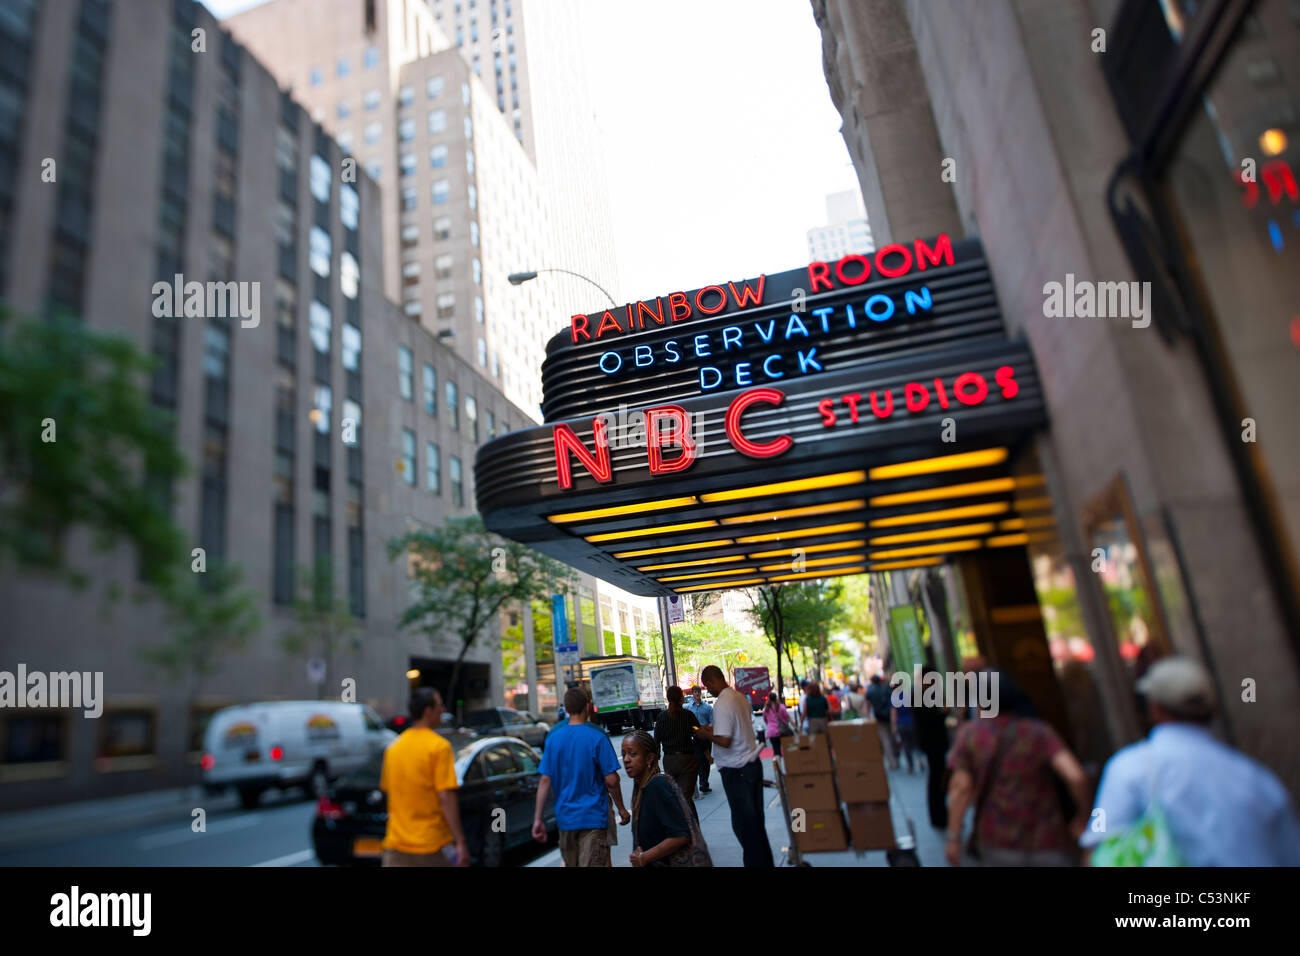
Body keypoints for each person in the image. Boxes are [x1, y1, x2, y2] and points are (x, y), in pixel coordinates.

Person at [1082, 656, 1300, 866]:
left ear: (1154, 708)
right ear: (1214, 708)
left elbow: (1100, 844)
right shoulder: (1257, 779)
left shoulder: (1128, 769)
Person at [944, 674, 1091, 866]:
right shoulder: (1038, 731)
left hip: (997, 840)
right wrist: (1084, 817)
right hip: (1046, 839)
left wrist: (954, 838)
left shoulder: (970, 736)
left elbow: (961, 788)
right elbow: (1076, 776)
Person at [532, 687, 630, 867]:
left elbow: (545, 780)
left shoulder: (553, 739)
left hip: (565, 820)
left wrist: (537, 819)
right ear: (587, 707)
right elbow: (611, 781)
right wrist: (621, 806)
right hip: (593, 819)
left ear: (566, 709)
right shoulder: (597, 737)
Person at [694, 665, 775, 867]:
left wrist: (705, 734)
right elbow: (737, 727)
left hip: (737, 770)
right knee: (756, 824)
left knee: (744, 826)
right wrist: (714, 729)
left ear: (711, 682)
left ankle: (755, 863)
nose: (707, 690)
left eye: (707, 686)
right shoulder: (740, 698)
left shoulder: (721, 703)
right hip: (752, 764)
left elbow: (725, 740)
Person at [379, 688, 470, 867]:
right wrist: (460, 842)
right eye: (439, 705)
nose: (443, 710)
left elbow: (389, 792)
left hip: (395, 847)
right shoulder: (439, 747)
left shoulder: (393, 749)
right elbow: (446, 796)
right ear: (428, 711)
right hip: (431, 846)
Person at [621, 730, 713, 867]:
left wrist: (644, 857)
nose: (626, 759)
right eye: (624, 754)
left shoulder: (657, 786)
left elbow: (681, 835)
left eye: (633, 754)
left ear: (649, 758)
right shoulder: (640, 788)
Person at [653, 686, 700, 817]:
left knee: (677, 797)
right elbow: (698, 732)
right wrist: (705, 752)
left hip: (669, 762)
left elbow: (656, 741)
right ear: (681, 698)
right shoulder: (688, 715)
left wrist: (655, 763)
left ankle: (683, 829)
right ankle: (693, 828)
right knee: (685, 798)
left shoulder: (661, 717)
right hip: (687, 761)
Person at [914, 669, 951, 829]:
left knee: (937, 777)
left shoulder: (924, 694)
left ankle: (941, 813)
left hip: (933, 742)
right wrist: (943, 712)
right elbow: (929, 719)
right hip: (933, 742)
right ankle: (939, 815)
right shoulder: (922, 695)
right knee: (937, 778)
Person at [865, 674, 900, 769]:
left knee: (885, 739)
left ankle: (892, 762)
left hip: (879, 717)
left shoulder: (870, 691)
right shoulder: (886, 689)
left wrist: (868, 716)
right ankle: (896, 756)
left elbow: (867, 706)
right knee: (892, 736)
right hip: (889, 715)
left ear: (872, 681)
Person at [684, 686, 714, 794]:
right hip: (695, 738)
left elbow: (712, 723)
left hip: (705, 737)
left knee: (706, 760)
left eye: (698, 692)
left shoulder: (707, 708)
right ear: (692, 693)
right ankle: (701, 783)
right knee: (699, 760)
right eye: (695, 692)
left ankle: (704, 783)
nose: (697, 694)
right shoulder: (688, 708)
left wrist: (706, 729)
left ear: (700, 693)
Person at [890, 678, 920, 773]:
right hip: (912, 722)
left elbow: (894, 713)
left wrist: (894, 726)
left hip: (901, 724)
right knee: (915, 743)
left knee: (906, 745)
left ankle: (911, 766)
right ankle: (920, 761)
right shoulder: (909, 695)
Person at [762, 692, 792, 756]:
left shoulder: (766, 709)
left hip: (772, 732)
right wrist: (795, 727)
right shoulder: (781, 707)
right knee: (787, 750)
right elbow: (788, 718)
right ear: (776, 698)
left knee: (776, 752)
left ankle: (778, 765)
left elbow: (765, 720)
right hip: (783, 731)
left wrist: (770, 725)